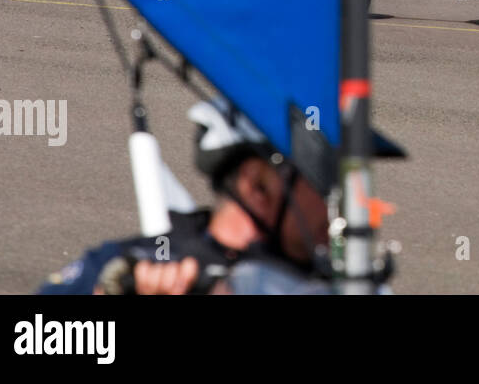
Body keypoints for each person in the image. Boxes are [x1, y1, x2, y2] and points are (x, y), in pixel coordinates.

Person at [39, 100, 332, 295]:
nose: (346, 198)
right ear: (257, 186)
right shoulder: (127, 268)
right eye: (324, 177)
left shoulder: (344, 278)